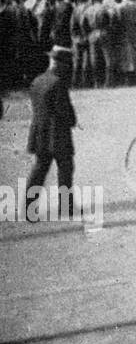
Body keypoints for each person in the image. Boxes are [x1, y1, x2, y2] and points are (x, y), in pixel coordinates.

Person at [25, 46, 78, 221]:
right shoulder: (58, 83)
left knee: (39, 168)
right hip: (58, 134)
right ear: (61, 64)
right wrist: (72, 120)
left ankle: (28, 207)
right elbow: (65, 112)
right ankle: (66, 207)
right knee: (65, 168)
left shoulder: (37, 80)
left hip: (39, 132)